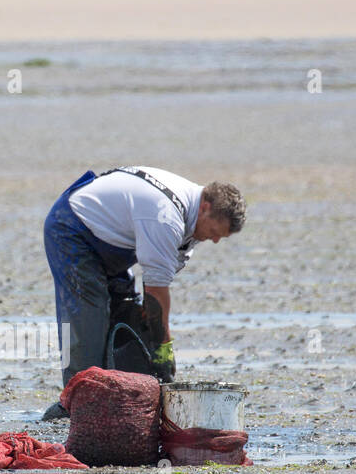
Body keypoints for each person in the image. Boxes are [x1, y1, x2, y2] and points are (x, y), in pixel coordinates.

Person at [41, 165, 245, 420]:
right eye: (214, 233)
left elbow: (152, 298)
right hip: (72, 227)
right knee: (89, 315)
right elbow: (156, 292)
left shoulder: (191, 223)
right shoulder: (165, 217)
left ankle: (117, 397)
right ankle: (75, 404)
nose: (214, 241)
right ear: (205, 207)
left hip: (113, 241)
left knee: (129, 313)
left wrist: (152, 333)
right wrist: (163, 349)